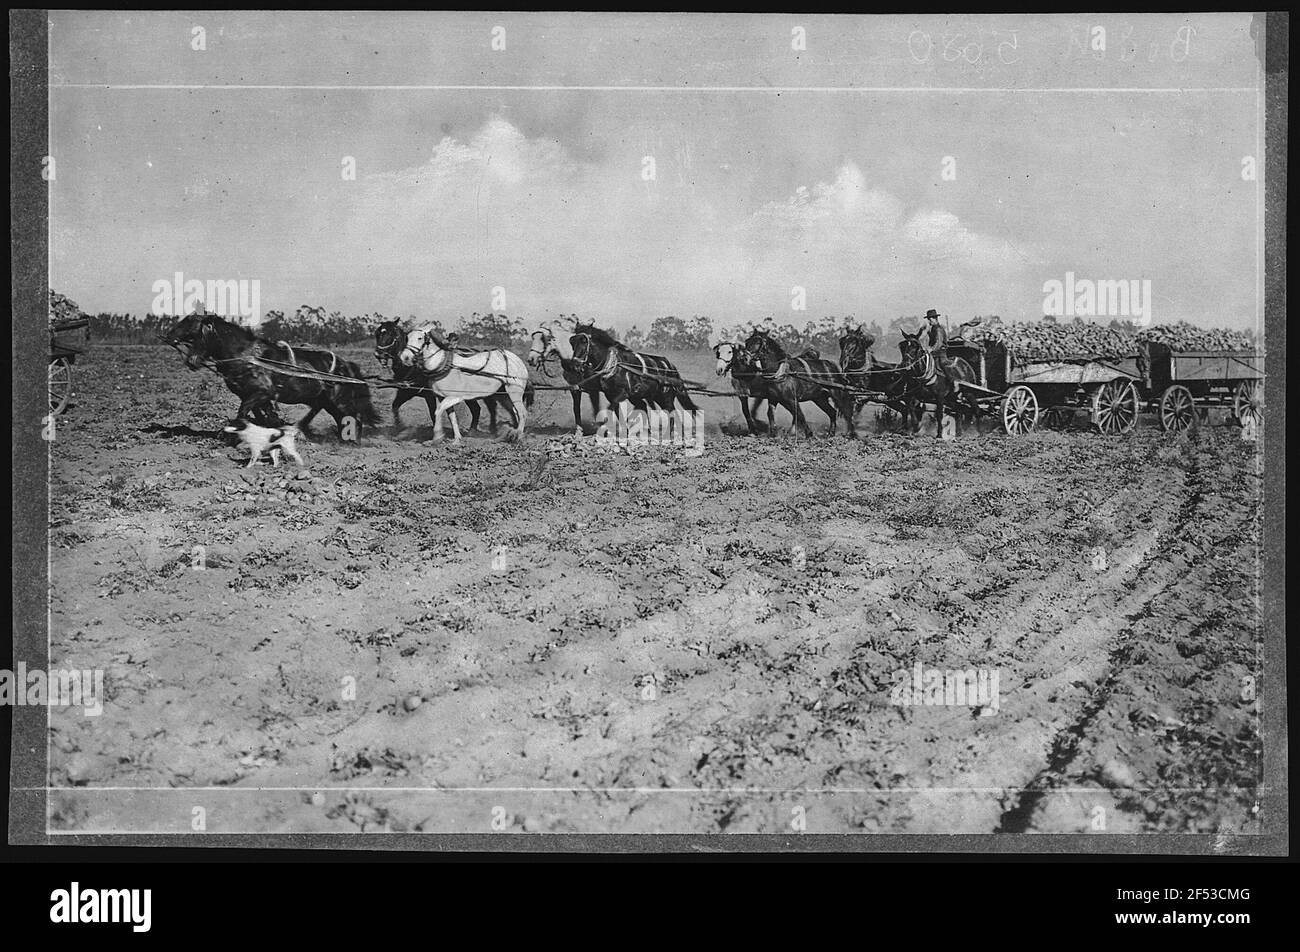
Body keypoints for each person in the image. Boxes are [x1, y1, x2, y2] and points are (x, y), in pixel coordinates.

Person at [921, 308, 959, 387]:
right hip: (934, 353)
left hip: (941, 352)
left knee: (942, 363)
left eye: (930, 319)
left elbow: (938, 343)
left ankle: (953, 381)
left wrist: (931, 349)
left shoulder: (939, 330)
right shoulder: (933, 329)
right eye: (928, 319)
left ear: (935, 319)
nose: (929, 321)